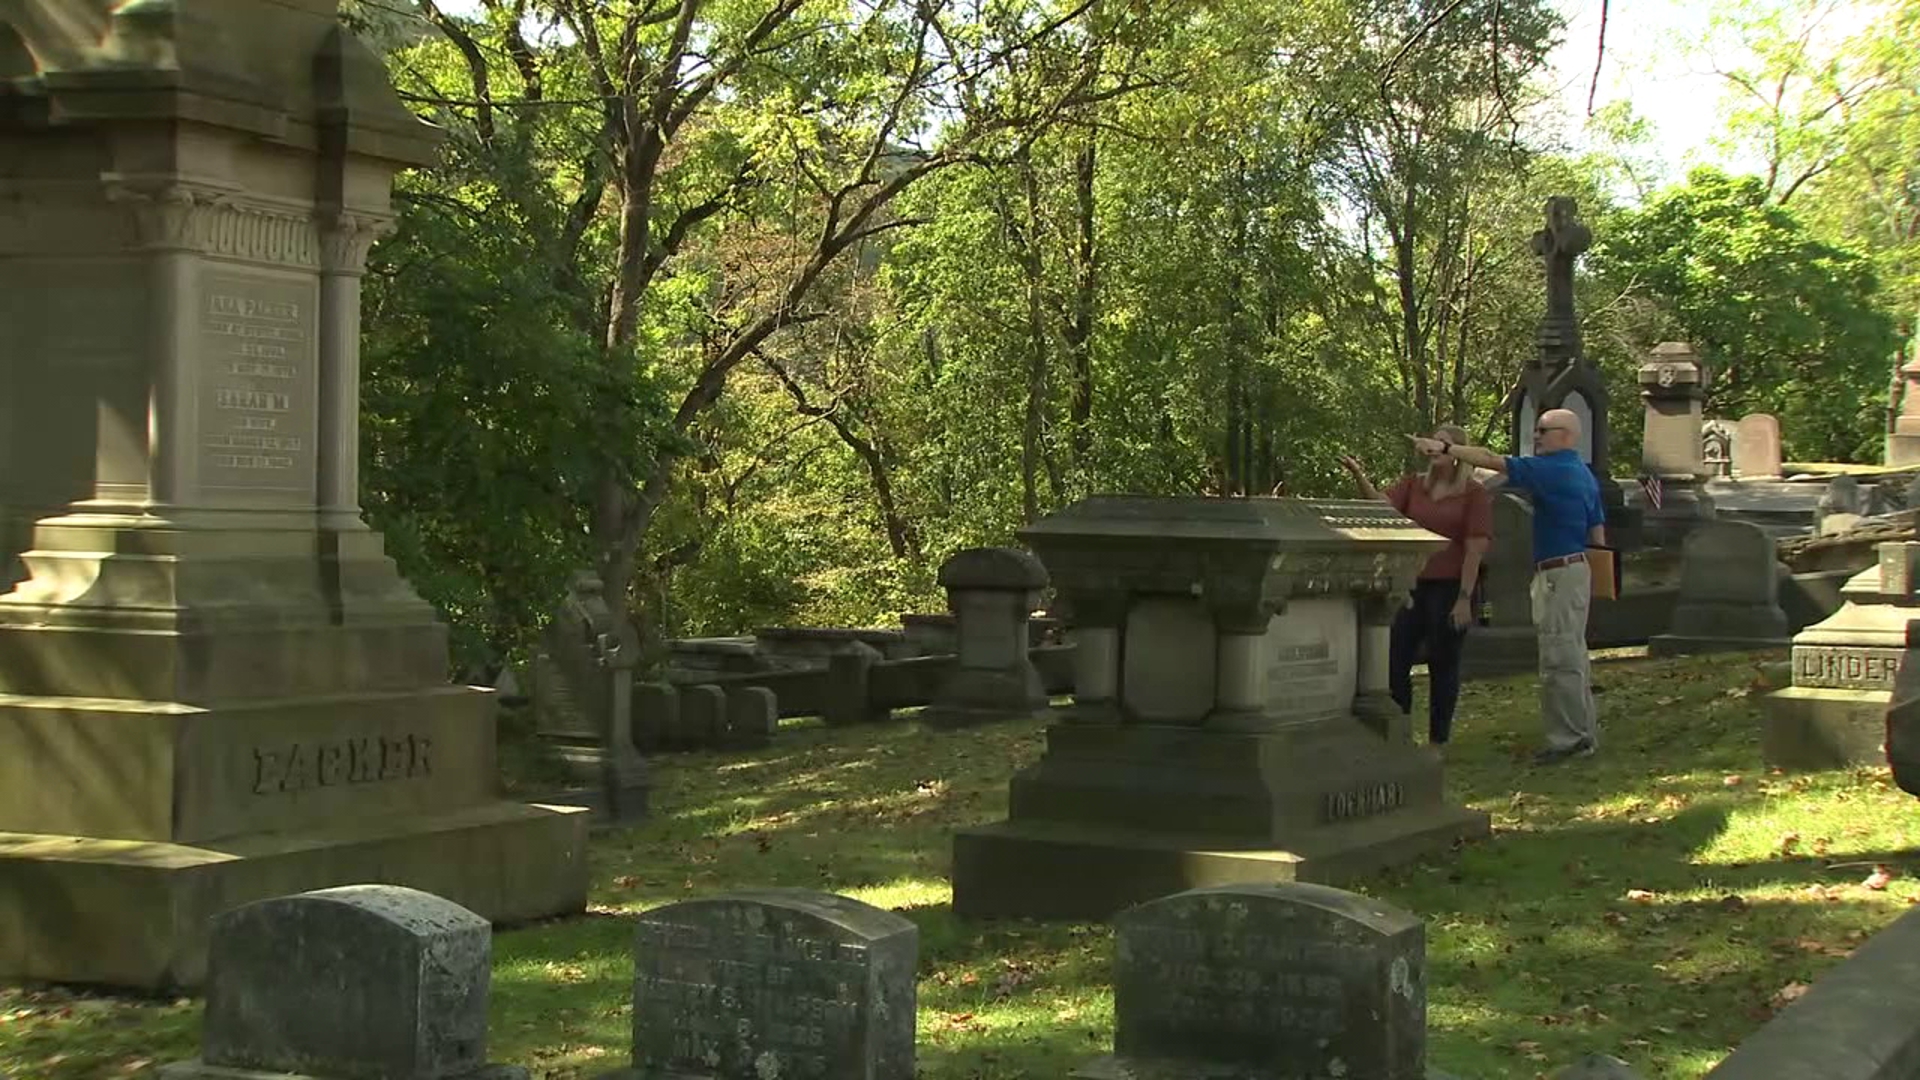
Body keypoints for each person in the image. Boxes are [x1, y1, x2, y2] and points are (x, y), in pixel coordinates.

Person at [1408, 408, 1604, 765]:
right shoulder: (1582, 473)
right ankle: (1583, 733)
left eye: (1544, 430)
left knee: (1558, 659)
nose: (1537, 435)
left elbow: (1489, 460)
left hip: (1559, 575)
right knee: (1573, 657)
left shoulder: (1552, 469)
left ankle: (1568, 741)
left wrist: (1446, 449)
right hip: (1574, 571)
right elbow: (1597, 531)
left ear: (1566, 436)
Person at [1339, 425, 1492, 755]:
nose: (1435, 449)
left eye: (1444, 444)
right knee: (1396, 659)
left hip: (1451, 586)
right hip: (1411, 584)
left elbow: (1475, 548)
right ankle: (1401, 734)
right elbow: (1382, 505)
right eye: (1434, 441)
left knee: (1443, 663)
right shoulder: (1414, 485)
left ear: (1457, 454)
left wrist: (1465, 598)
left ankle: (1438, 740)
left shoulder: (1473, 493)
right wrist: (1358, 475)